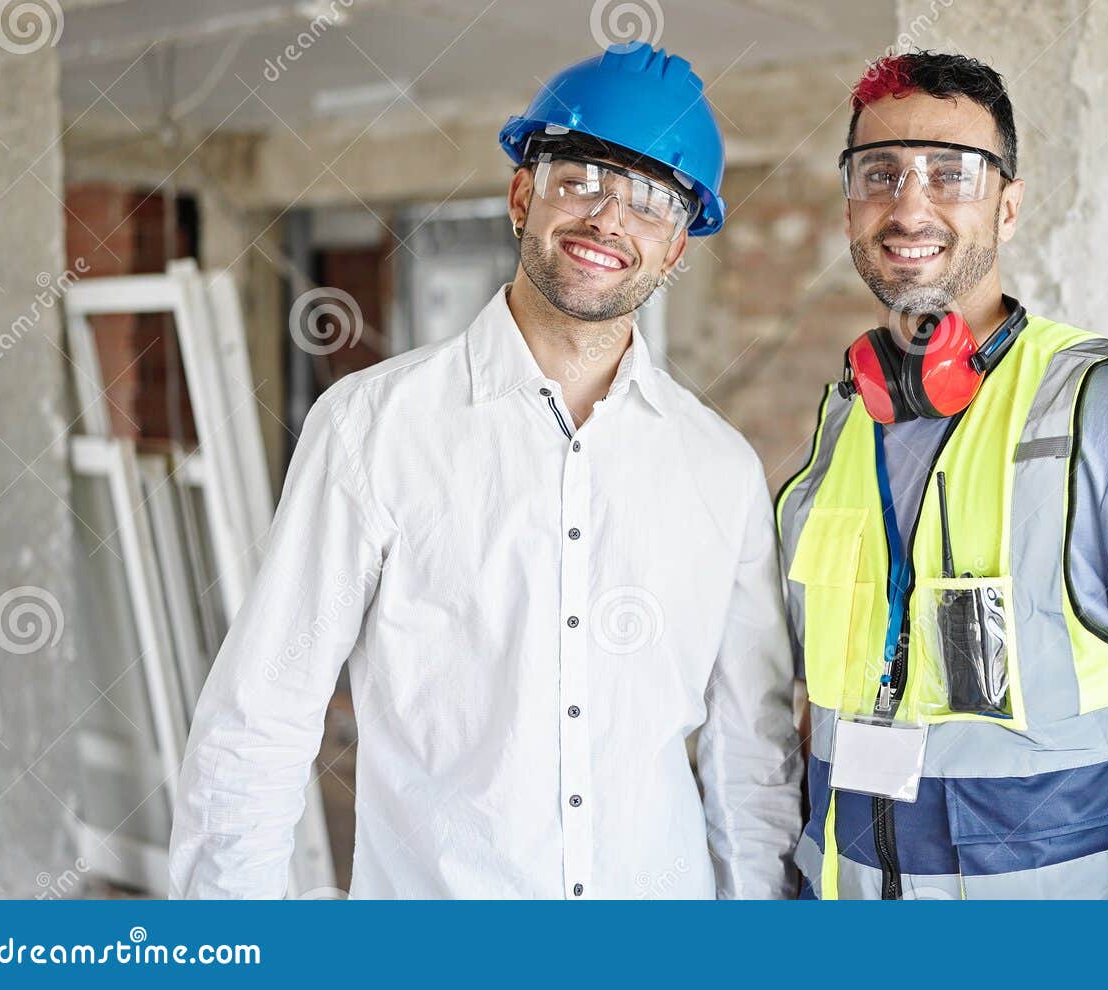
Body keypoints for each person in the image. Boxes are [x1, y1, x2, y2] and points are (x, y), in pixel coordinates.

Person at [169, 42, 801, 899]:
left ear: (680, 246)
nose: (609, 219)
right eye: (580, 177)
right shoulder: (371, 428)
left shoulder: (719, 469)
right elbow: (259, 722)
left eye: (652, 198)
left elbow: (750, 759)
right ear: (520, 195)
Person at [777, 51, 1108, 899]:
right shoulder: (840, 420)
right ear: (850, 204)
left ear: (1007, 208)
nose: (909, 204)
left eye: (951, 174)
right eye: (879, 172)